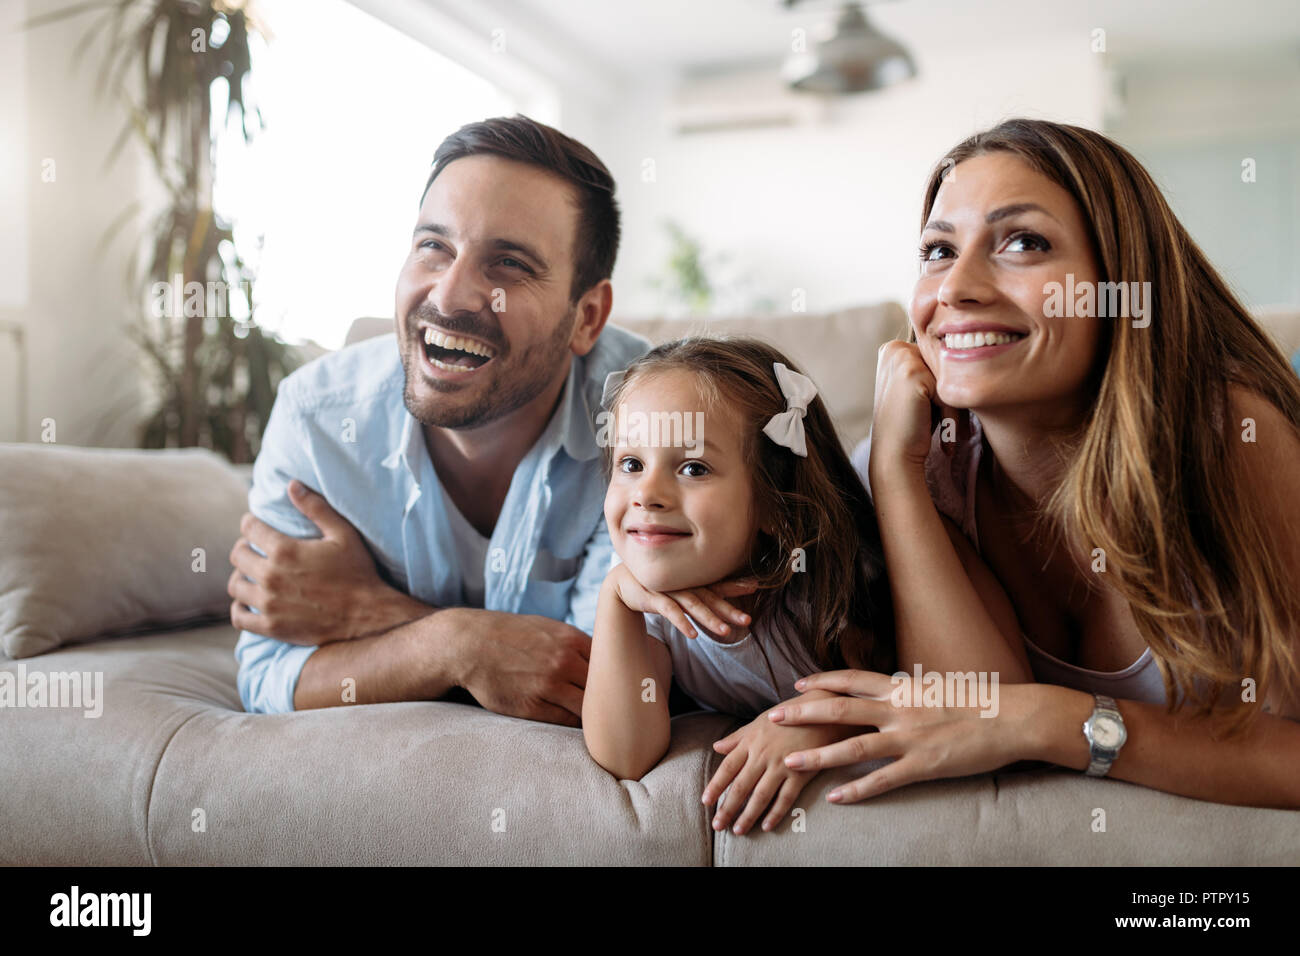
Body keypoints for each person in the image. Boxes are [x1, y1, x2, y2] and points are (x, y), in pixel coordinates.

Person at [768, 118, 1300, 809]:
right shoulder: (918, 467)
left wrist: (1052, 720)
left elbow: (1007, 721)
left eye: (1023, 242)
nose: (956, 288)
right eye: (937, 250)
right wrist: (897, 476)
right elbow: (967, 729)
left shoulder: (1231, 438)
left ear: (1119, 283)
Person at [228, 115, 650, 723]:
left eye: (508, 264)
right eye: (434, 247)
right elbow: (270, 676)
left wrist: (369, 614)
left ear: (586, 317)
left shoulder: (650, 420)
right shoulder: (317, 419)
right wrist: (457, 645)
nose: (449, 297)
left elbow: (602, 687)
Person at [582, 336, 896, 834]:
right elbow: (626, 755)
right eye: (631, 464)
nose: (646, 493)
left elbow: (913, 692)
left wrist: (820, 719)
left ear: (774, 502)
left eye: (692, 468)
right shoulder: (651, 608)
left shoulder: (825, 587)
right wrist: (615, 598)